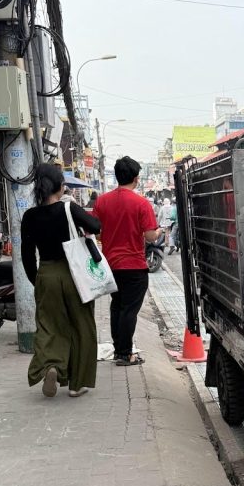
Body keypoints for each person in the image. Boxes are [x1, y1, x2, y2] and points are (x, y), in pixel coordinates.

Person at [22, 163, 102, 399]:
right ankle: (78, 384)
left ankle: (52, 366)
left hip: (46, 274)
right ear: (59, 185)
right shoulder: (69, 209)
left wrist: (36, 281)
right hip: (75, 274)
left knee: (49, 326)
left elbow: (26, 255)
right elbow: (96, 226)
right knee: (82, 326)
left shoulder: (30, 216)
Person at [94, 155, 159, 366]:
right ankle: (124, 353)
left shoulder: (102, 201)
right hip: (134, 267)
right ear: (136, 178)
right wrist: (159, 231)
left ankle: (119, 350)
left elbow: (94, 230)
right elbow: (150, 237)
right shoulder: (141, 203)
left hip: (110, 265)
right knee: (129, 310)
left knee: (117, 306)